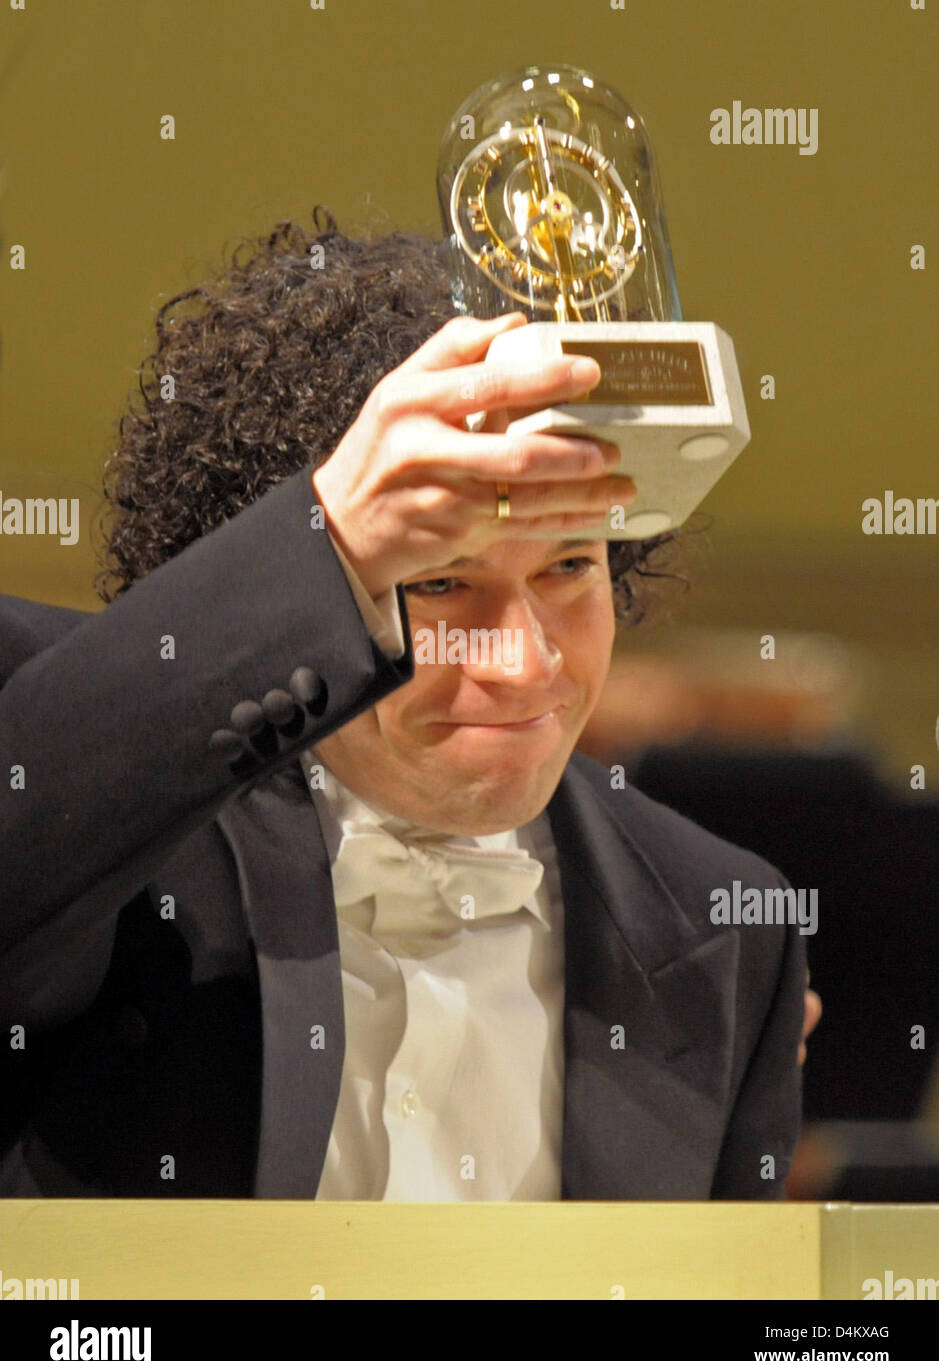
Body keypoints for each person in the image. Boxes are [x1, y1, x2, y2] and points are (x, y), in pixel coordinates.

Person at [0, 212, 809, 1199]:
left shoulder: (727, 926)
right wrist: (328, 529)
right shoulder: (110, 806)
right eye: (436, 580)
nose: (521, 662)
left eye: (568, 565)